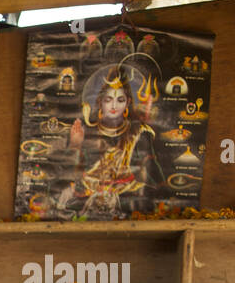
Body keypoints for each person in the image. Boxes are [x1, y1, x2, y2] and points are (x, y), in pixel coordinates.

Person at [58, 64, 162, 217]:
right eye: (108, 100)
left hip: (126, 195)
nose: (114, 106)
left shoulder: (138, 132)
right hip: (88, 193)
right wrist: (75, 145)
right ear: (100, 103)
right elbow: (69, 175)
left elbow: (150, 176)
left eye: (120, 100)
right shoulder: (87, 132)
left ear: (127, 103)